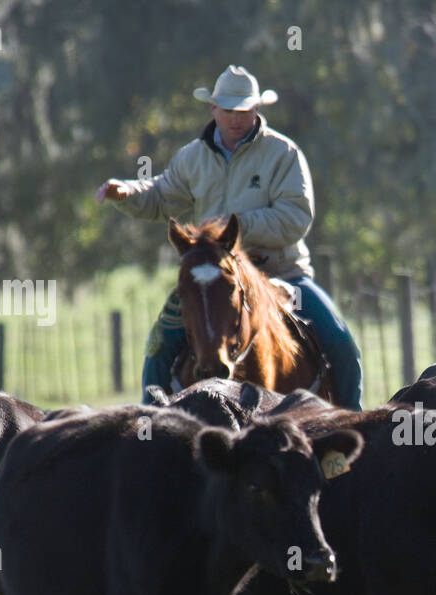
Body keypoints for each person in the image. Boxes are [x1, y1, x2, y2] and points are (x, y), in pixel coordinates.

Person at [95, 65, 363, 408]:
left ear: (256, 110)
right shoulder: (192, 157)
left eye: (244, 111)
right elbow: (161, 195)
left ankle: (350, 430)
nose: (236, 119)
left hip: (282, 275)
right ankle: (151, 432)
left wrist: (238, 226)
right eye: (228, 111)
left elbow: (296, 217)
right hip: (212, 281)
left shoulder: (283, 154)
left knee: (341, 343)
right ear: (213, 110)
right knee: (158, 348)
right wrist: (126, 192)